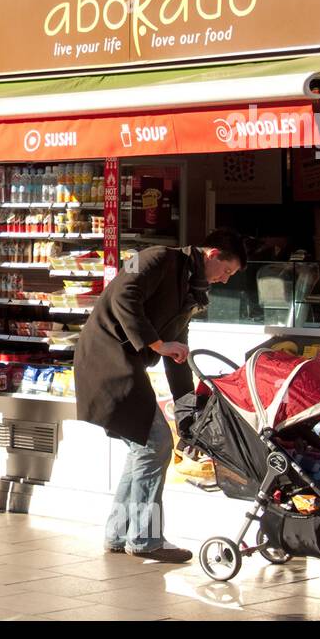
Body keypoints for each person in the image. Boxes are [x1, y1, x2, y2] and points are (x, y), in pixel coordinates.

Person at [74, 229, 247, 563]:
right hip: (104, 358)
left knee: (145, 447)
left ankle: (119, 532)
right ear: (212, 254)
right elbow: (124, 296)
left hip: (123, 363)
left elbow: (177, 353)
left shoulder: (191, 290)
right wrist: (156, 344)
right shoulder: (156, 257)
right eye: (226, 271)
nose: (225, 280)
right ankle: (144, 538)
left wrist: (187, 412)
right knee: (153, 445)